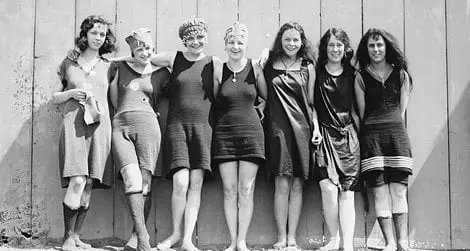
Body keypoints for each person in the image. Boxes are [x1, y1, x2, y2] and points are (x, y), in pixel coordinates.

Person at [121, 17, 215, 251]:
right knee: (181, 182)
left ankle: (186, 240)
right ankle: (175, 234)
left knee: (195, 183)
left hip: (203, 128)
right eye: (190, 38)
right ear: (183, 40)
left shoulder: (215, 63)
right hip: (177, 127)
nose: (195, 42)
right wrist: (107, 61)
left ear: (206, 37)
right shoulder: (174, 58)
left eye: (200, 37)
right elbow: (140, 57)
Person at [52, 15, 117, 251]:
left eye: (102, 34)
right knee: (77, 179)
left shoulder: (110, 66)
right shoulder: (69, 63)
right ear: (85, 35)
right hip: (74, 125)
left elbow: (115, 100)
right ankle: (67, 237)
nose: (98, 38)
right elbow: (54, 98)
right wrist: (70, 94)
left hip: (100, 126)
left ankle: (77, 235)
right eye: (94, 33)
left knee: (89, 183)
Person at [109, 28, 170, 251]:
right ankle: (144, 238)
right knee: (131, 179)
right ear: (132, 51)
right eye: (139, 49)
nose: (144, 52)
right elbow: (114, 100)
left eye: (148, 48)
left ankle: (135, 239)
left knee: (145, 183)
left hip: (149, 127)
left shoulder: (162, 73)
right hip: (121, 126)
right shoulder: (120, 68)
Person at [262, 22, 321, 249]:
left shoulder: (308, 67)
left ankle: (293, 238)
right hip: (277, 131)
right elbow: (264, 98)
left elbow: (312, 103)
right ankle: (281, 237)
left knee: (297, 185)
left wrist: (315, 127)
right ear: (280, 40)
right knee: (281, 184)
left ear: (302, 41)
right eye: (287, 39)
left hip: (302, 130)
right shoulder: (268, 65)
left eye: (296, 39)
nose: (291, 44)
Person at [354, 28, 413, 251]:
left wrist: (391, 123)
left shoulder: (401, 75)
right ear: (366, 49)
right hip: (372, 139)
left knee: (398, 191)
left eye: (379, 45)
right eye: (371, 45)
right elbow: (361, 112)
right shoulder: (361, 76)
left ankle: (402, 243)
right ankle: (389, 243)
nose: (376, 49)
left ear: (387, 47)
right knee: (379, 191)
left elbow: (401, 109)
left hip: (396, 137)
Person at [211, 22, 267, 251]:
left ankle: (242, 241)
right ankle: (232, 241)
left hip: (251, 134)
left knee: (246, 190)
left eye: (240, 42)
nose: (236, 46)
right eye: (231, 42)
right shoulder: (218, 69)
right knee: (229, 189)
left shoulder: (255, 68)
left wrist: (262, 105)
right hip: (224, 134)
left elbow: (266, 96)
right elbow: (215, 100)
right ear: (225, 45)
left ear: (246, 45)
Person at [313, 28, 360, 251]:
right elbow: (311, 105)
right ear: (325, 48)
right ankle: (334, 239)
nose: (335, 49)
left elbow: (358, 108)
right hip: (323, 136)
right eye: (331, 45)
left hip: (348, 137)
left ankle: (348, 245)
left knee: (347, 192)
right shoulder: (316, 72)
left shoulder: (353, 74)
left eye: (339, 45)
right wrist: (315, 128)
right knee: (328, 189)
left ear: (345, 48)